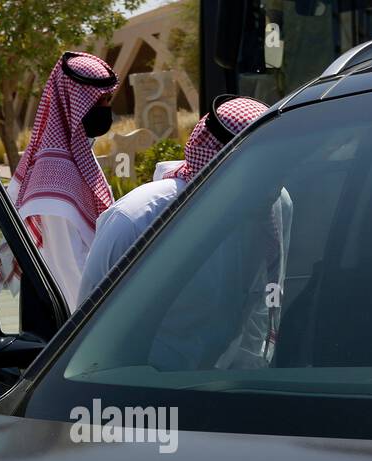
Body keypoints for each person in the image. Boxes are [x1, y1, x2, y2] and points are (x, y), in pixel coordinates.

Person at [78, 95, 292, 369]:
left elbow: (264, 301)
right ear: (224, 165)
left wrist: (250, 376)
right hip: (146, 386)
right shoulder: (137, 219)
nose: (274, 183)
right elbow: (89, 326)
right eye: (261, 171)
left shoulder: (275, 204)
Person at [2, 51, 119, 310]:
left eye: (108, 99)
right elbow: (69, 269)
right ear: (73, 103)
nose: (106, 109)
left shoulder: (76, 155)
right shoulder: (54, 182)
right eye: (98, 101)